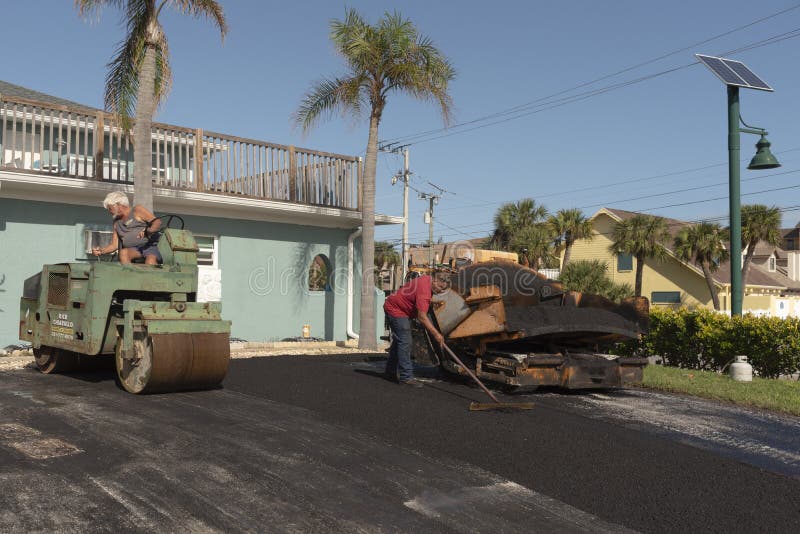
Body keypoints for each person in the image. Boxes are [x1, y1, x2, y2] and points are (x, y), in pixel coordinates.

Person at [383, 271, 451, 387]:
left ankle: (390, 372)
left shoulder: (427, 279)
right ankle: (406, 377)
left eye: (443, 289)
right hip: (396, 310)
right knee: (405, 341)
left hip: (401, 308)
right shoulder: (424, 292)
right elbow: (422, 317)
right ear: (434, 280)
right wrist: (436, 334)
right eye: (440, 287)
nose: (440, 291)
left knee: (400, 342)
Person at [92, 191, 162, 265]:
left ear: (118, 205)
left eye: (110, 208)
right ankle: (129, 275)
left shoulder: (137, 210)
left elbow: (157, 222)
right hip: (134, 250)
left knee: (150, 260)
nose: (109, 211)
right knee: (123, 253)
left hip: (149, 247)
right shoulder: (116, 222)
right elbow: (114, 245)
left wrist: (148, 231)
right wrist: (101, 251)